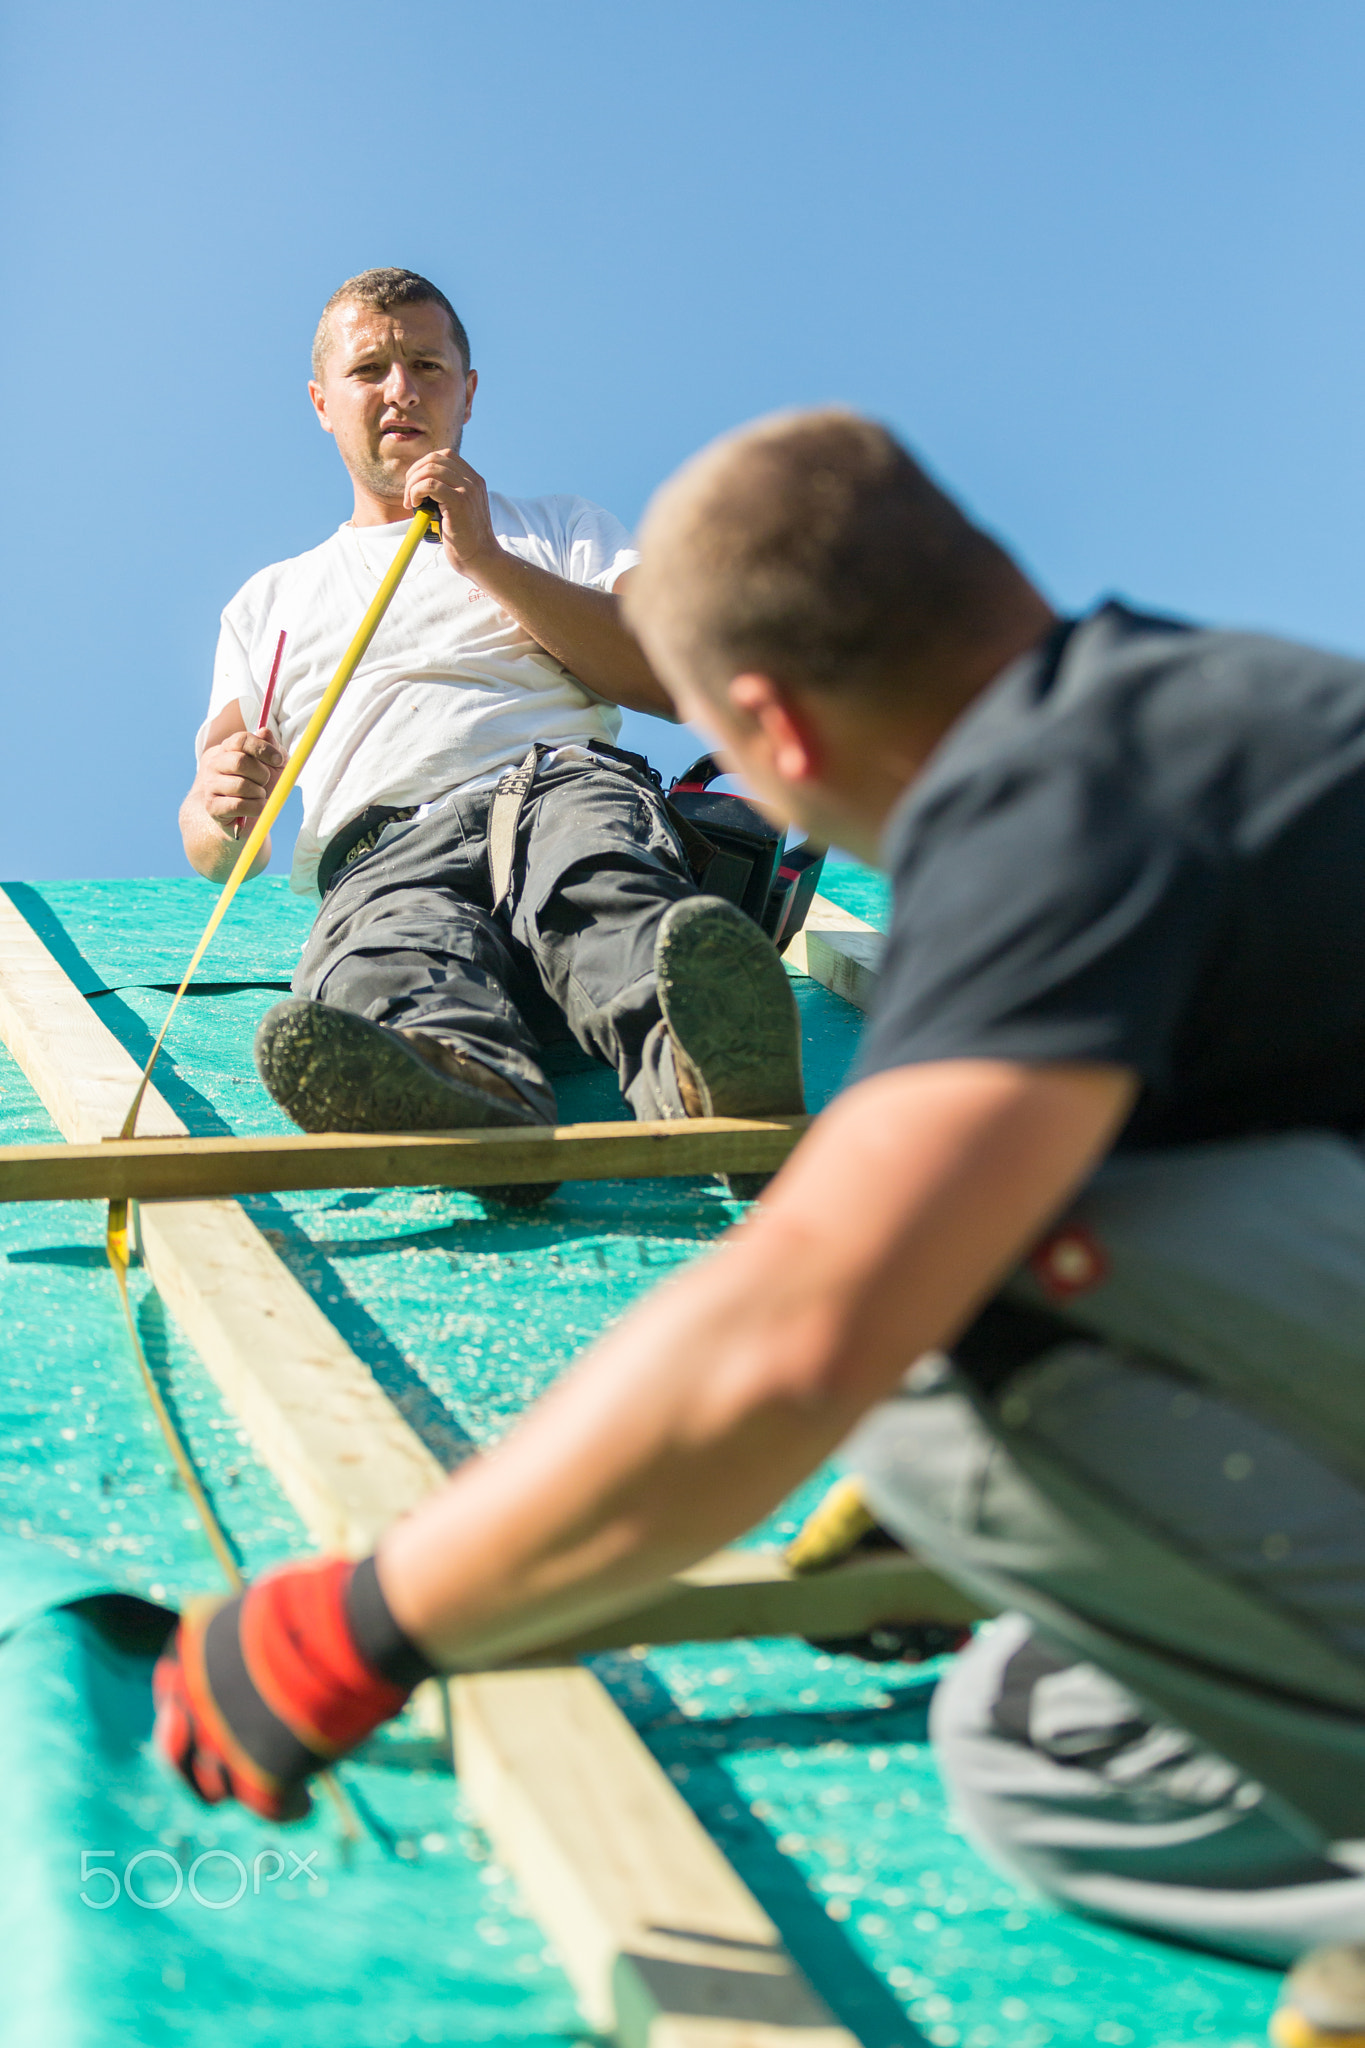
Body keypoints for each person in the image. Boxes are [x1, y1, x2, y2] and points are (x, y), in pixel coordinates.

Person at [158, 408, 1365, 2002]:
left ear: (771, 739)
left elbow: (801, 1324)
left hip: (554, 795)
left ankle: (676, 1057)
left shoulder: (1050, 808)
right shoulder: (1228, 711)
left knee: (941, 1326)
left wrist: (369, 1619)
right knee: (1036, 1748)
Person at [178, 268, 803, 1184]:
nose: (401, 389)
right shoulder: (267, 602)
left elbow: (676, 680)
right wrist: (219, 802)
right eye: (370, 369)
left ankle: (705, 1072)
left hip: (554, 784)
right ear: (322, 401)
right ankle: (469, 1095)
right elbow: (217, 844)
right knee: (386, 952)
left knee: (599, 885)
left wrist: (485, 559)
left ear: (466, 393)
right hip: (378, 848)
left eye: (427, 364)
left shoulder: (556, 527)